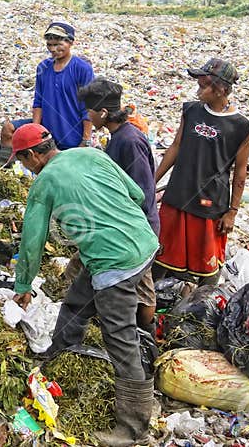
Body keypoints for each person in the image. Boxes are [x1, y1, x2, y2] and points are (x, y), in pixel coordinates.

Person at [10, 124, 159, 447]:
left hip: (115, 263)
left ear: (33, 156)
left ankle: (134, 427)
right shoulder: (91, 154)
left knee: (119, 336)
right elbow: (135, 193)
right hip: (144, 243)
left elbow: (32, 242)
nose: (25, 167)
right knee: (77, 300)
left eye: (23, 161)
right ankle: (59, 356)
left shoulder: (44, 183)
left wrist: (23, 284)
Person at [154, 58, 249, 286]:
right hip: (178, 193)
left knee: (206, 263)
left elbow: (239, 173)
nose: (198, 91)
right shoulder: (191, 110)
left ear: (221, 90)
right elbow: (176, 147)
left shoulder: (241, 126)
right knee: (163, 254)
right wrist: (152, 182)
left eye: (203, 86)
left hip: (210, 202)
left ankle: (201, 307)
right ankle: (157, 301)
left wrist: (232, 212)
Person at [78, 77, 161, 331]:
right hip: (127, 225)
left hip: (138, 227)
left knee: (143, 289)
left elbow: (142, 193)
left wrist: (128, 226)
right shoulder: (118, 137)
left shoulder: (129, 141)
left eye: (90, 111)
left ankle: (146, 337)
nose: (88, 117)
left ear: (103, 112)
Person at [0, 21, 94, 165]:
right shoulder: (44, 67)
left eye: (58, 44)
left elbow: (88, 107)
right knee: (8, 129)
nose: (53, 49)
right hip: (47, 126)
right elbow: (38, 102)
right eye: (50, 45)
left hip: (71, 131)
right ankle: (4, 171)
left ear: (70, 43)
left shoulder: (82, 69)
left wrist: (85, 140)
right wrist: (35, 131)